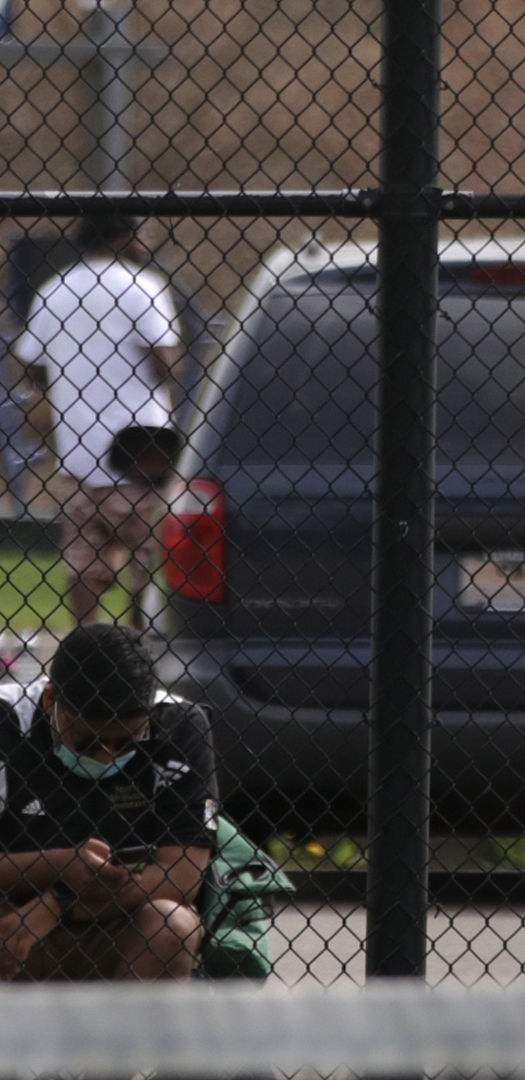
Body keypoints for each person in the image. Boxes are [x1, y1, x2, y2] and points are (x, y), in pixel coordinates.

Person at [0, 624, 217, 981]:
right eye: (88, 742)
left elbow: (181, 875)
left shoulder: (179, 723)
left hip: (115, 928)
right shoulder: (7, 719)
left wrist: (58, 904)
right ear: (51, 700)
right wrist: (59, 864)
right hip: (11, 921)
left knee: (172, 923)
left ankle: (128, 1022)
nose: (106, 757)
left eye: (126, 743)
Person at [14, 215, 183, 631]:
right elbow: (163, 364)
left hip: (79, 452)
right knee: (146, 556)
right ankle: (140, 640)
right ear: (120, 236)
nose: (145, 242)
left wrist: (72, 375)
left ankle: (85, 641)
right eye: (140, 234)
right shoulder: (142, 286)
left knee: (82, 556)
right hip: (141, 452)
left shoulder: (55, 289)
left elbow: (32, 366)